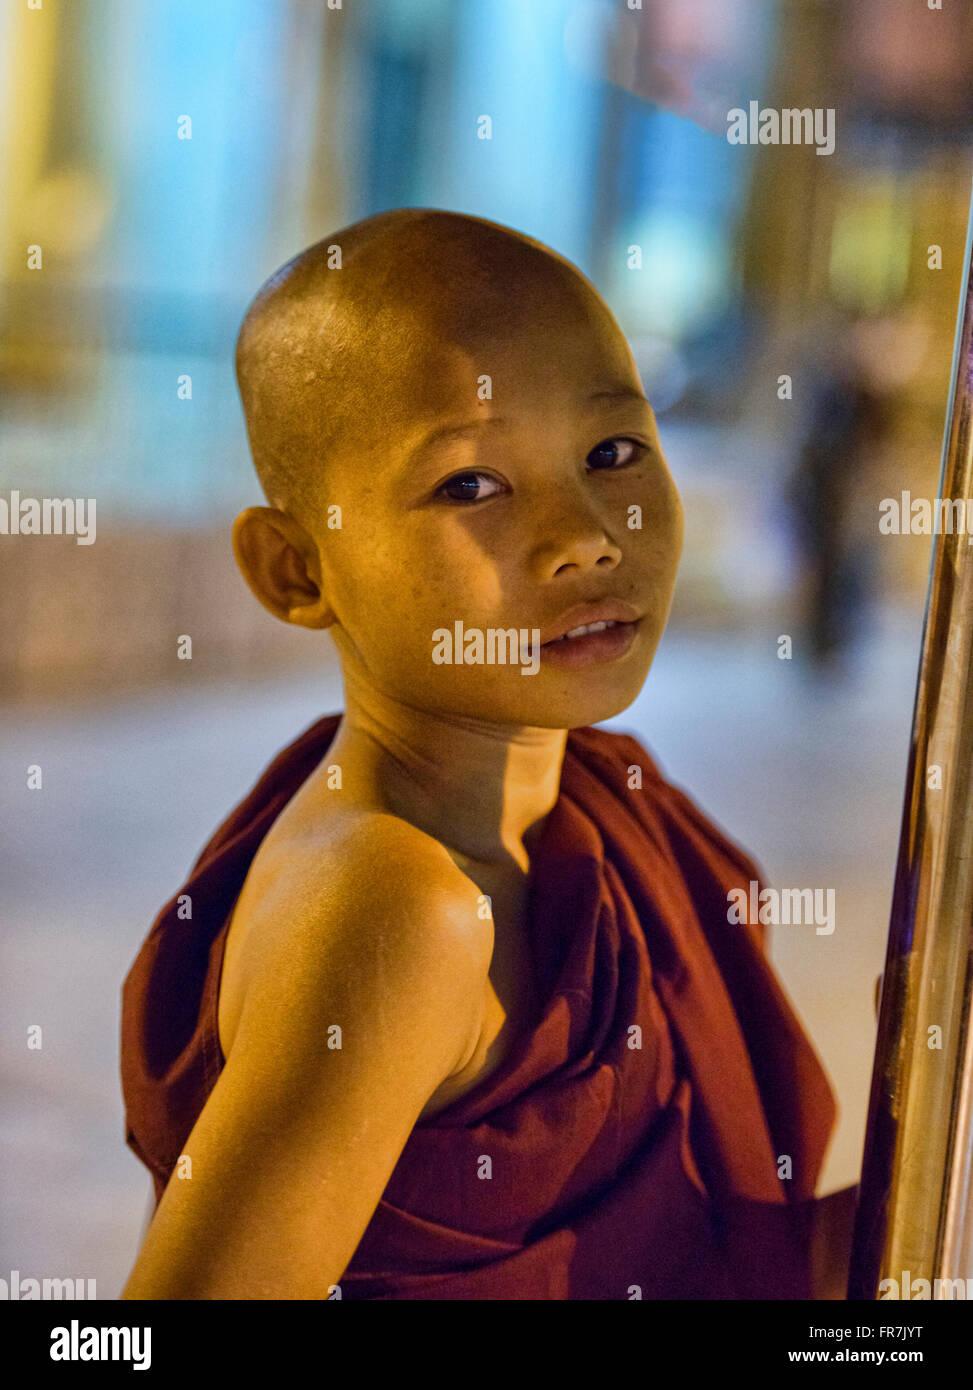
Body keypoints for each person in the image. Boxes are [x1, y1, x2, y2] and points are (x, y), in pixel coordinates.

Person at [120, 208, 849, 1299]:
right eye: (470, 484)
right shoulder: (399, 906)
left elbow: (700, 1259)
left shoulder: (598, 804)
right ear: (295, 570)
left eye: (613, 452)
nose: (589, 532)